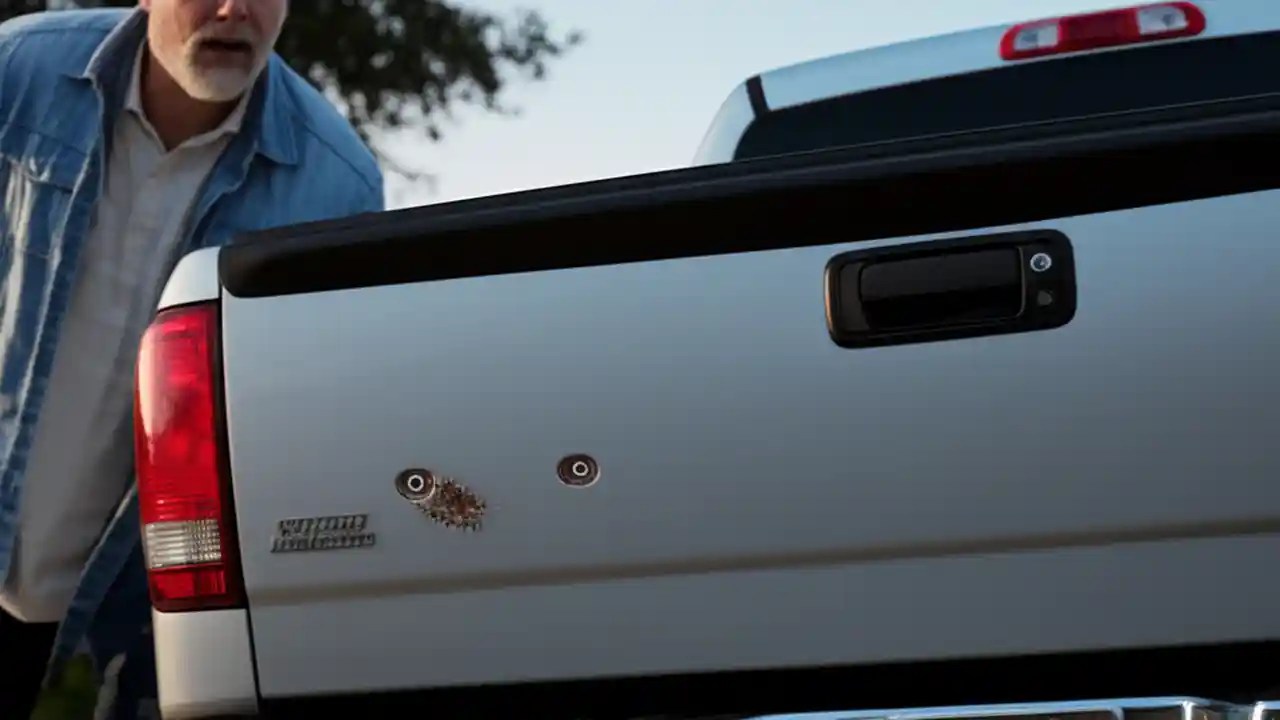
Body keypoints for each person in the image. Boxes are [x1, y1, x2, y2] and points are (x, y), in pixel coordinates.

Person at [0, 0, 385, 717]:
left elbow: (310, 432)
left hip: (118, 621)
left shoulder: (339, 187)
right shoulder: (17, 73)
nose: (235, 9)